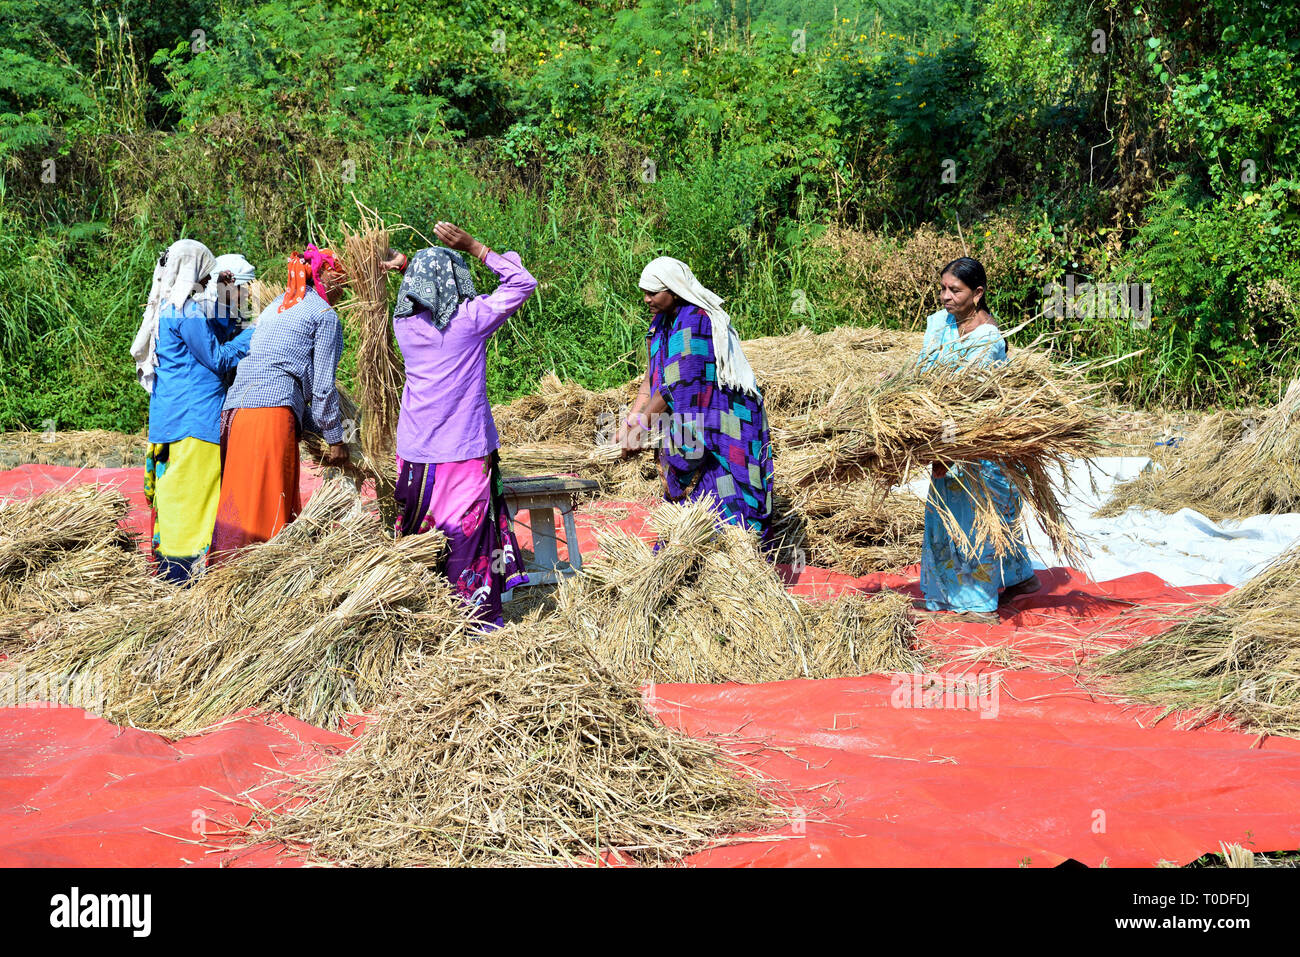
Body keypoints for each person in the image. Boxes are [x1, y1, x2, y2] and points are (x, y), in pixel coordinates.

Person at [379, 222, 535, 628]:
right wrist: (475, 247)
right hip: (463, 451)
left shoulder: (404, 326)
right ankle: (475, 619)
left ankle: (421, 615)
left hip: (416, 453)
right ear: (458, 282)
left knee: (423, 535)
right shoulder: (470, 320)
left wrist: (407, 267)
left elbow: (425, 290)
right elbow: (522, 283)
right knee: (466, 535)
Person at [915, 257, 1040, 623]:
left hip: (974, 443)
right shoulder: (941, 325)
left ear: (978, 294)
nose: (945, 297)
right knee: (956, 514)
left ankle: (977, 604)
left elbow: (973, 402)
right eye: (942, 288)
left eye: (955, 290)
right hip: (945, 431)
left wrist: (947, 451)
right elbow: (926, 373)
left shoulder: (987, 340)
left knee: (974, 520)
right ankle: (1020, 579)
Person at [618, 256, 774, 543]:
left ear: (674, 290)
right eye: (644, 292)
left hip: (724, 420)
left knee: (730, 495)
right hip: (695, 420)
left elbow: (675, 387)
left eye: (653, 293)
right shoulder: (661, 322)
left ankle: (740, 560)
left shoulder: (694, 321)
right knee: (692, 510)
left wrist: (641, 427)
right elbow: (652, 378)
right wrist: (630, 421)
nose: (646, 299)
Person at [211, 245, 349, 559]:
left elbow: (297, 380)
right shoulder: (324, 314)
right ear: (322, 275)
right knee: (268, 506)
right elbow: (324, 388)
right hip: (270, 417)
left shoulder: (276, 306)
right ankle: (260, 581)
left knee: (240, 504)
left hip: (235, 412)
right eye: (338, 274)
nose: (345, 283)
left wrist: (313, 429)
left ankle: (226, 576)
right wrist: (335, 440)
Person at [130, 239, 253, 583]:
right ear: (194, 270)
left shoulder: (171, 309)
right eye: (206, 270)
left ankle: (170, 572)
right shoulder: (186, 312)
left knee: (174, 496)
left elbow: (211, 335)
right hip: (195, 423)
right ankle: (187, 575)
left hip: (171, 420)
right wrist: (253, 336)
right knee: (195, 500)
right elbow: (217, 358)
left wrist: (229, 304)